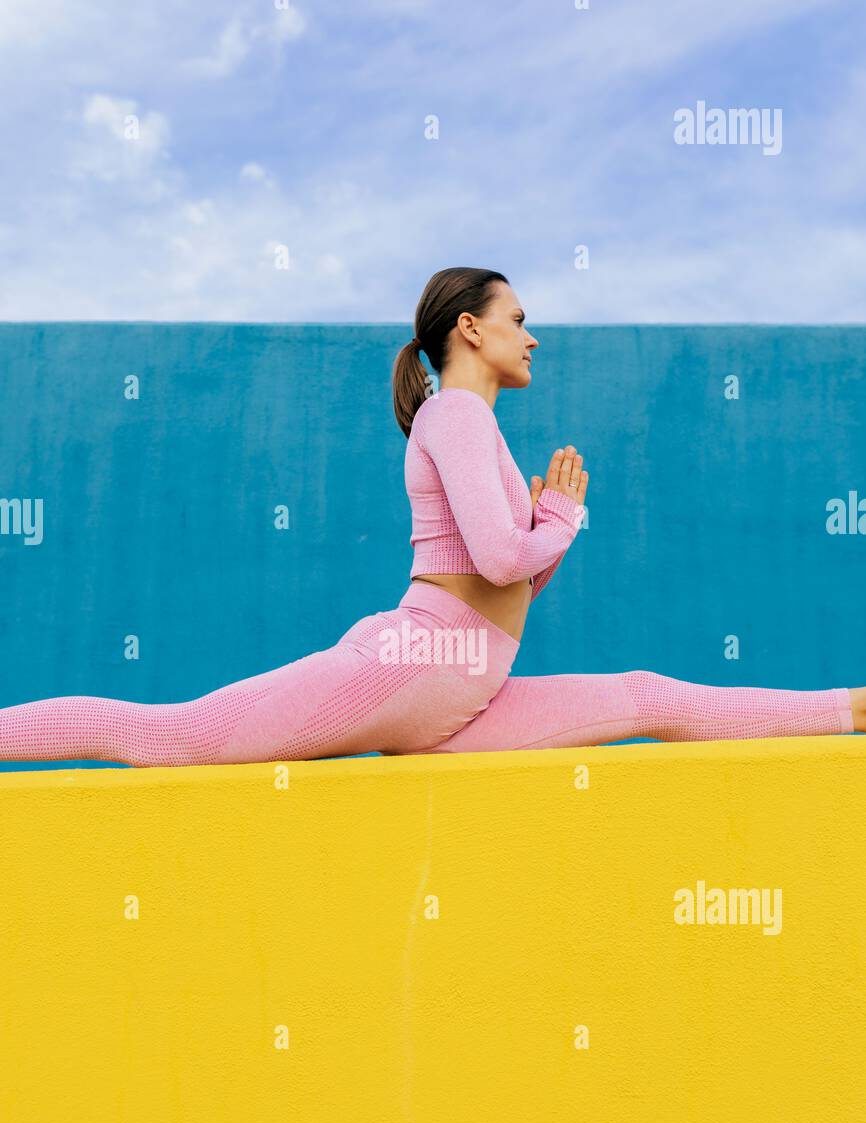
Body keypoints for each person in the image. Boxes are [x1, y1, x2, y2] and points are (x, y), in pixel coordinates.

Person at [0, 266, 860, 767]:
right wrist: (557, 518)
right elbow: (494, 558)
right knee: (175, 735)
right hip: (413, 664)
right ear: (469, 330)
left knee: (645, 696)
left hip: (465, 692)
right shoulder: (455, 415)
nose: (532, 337)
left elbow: (514, 578)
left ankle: (849, 708)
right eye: (517, 321)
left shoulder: (474, 428)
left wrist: (546, 531)